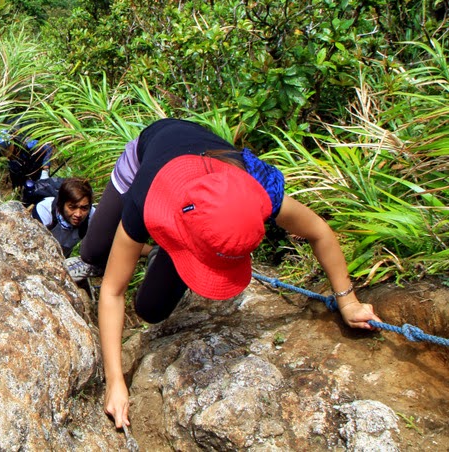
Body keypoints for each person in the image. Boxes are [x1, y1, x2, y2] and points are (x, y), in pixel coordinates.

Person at [74, 118, 379, 431]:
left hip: (204, 186)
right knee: (93, 252)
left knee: (151, 308)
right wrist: (115, 380)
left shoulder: (255, 190)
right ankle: (160, 243)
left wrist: (348, 300)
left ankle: (166, 248)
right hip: (149, 156)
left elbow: (319, 232)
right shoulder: (146, 194)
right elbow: (112, 291)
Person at [31, 178, 95, 258]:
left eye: (84, 208)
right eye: (72, 207)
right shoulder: (45, 211)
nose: (78, 214)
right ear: (61, 204)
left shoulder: (93, 217)